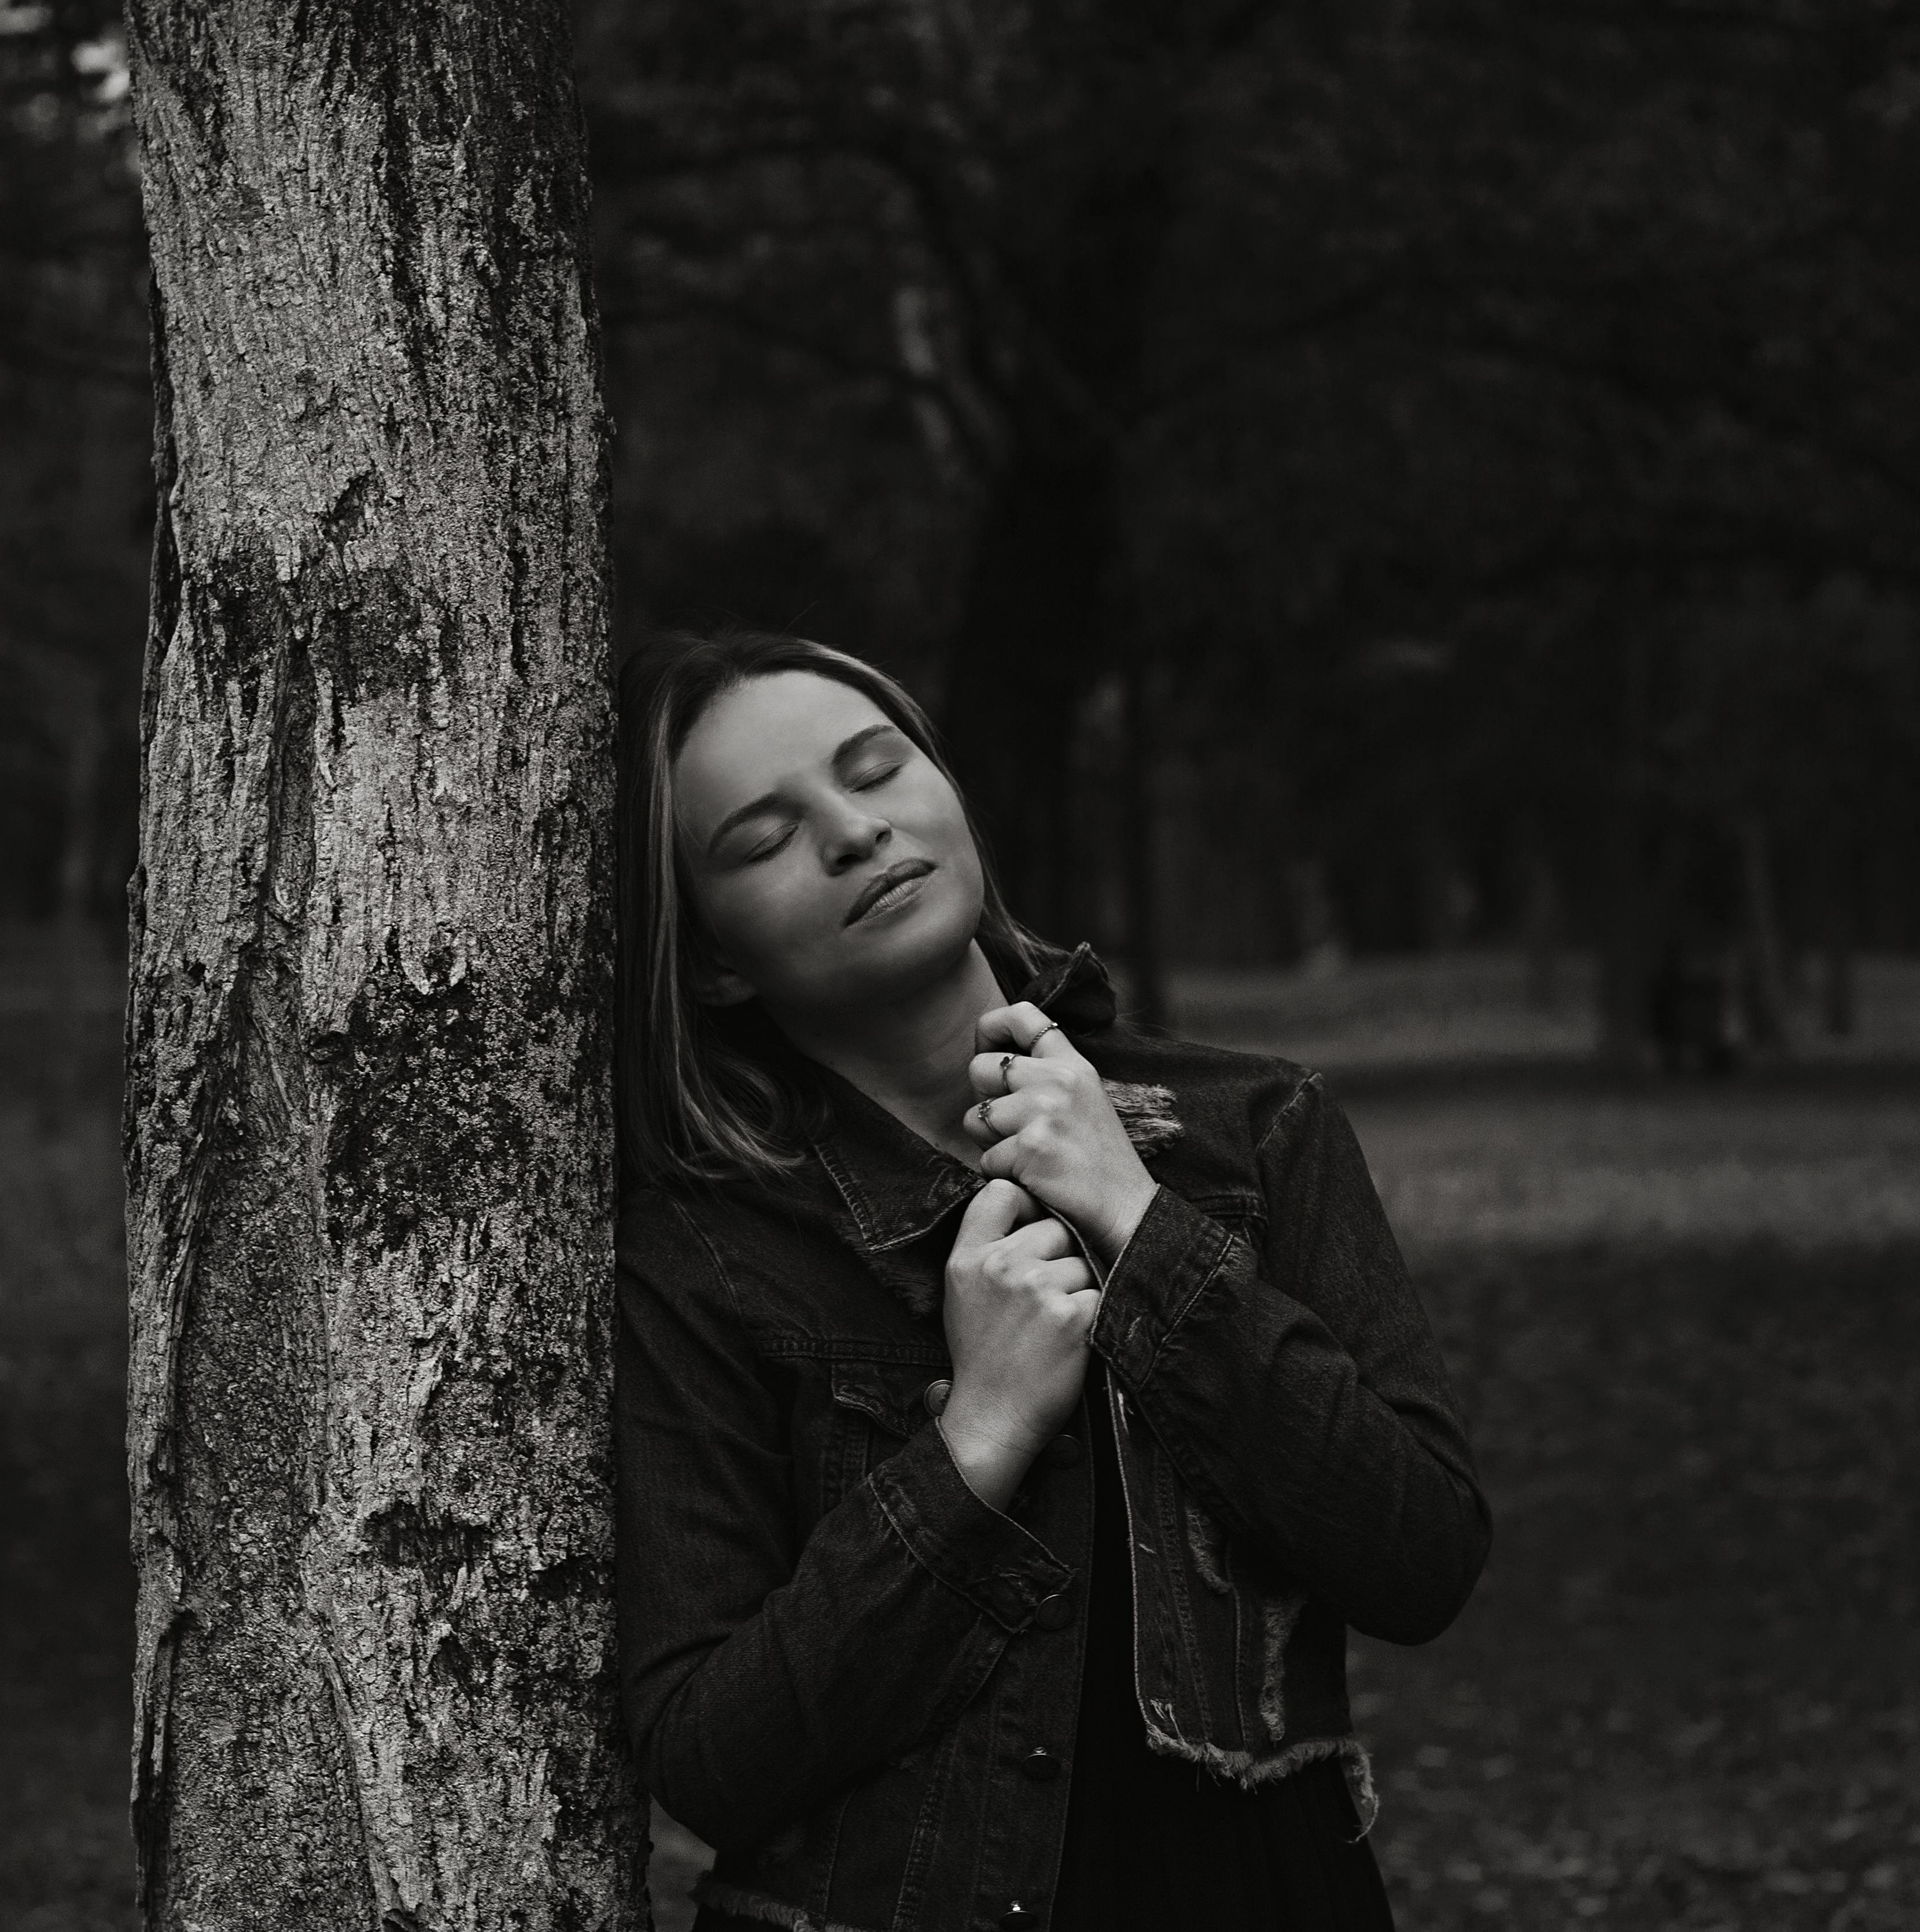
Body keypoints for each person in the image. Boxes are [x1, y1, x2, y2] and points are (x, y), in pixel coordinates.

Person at [614, 628, 1491, 1932]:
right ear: (719, 957)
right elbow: (708, 1757)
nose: (855, 831)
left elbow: (1418, 1555)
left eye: (876, 768)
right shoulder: (705, 1253)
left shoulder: (1254, 1129)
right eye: (762, 839)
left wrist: (1142, 1230)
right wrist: (974, 1440)